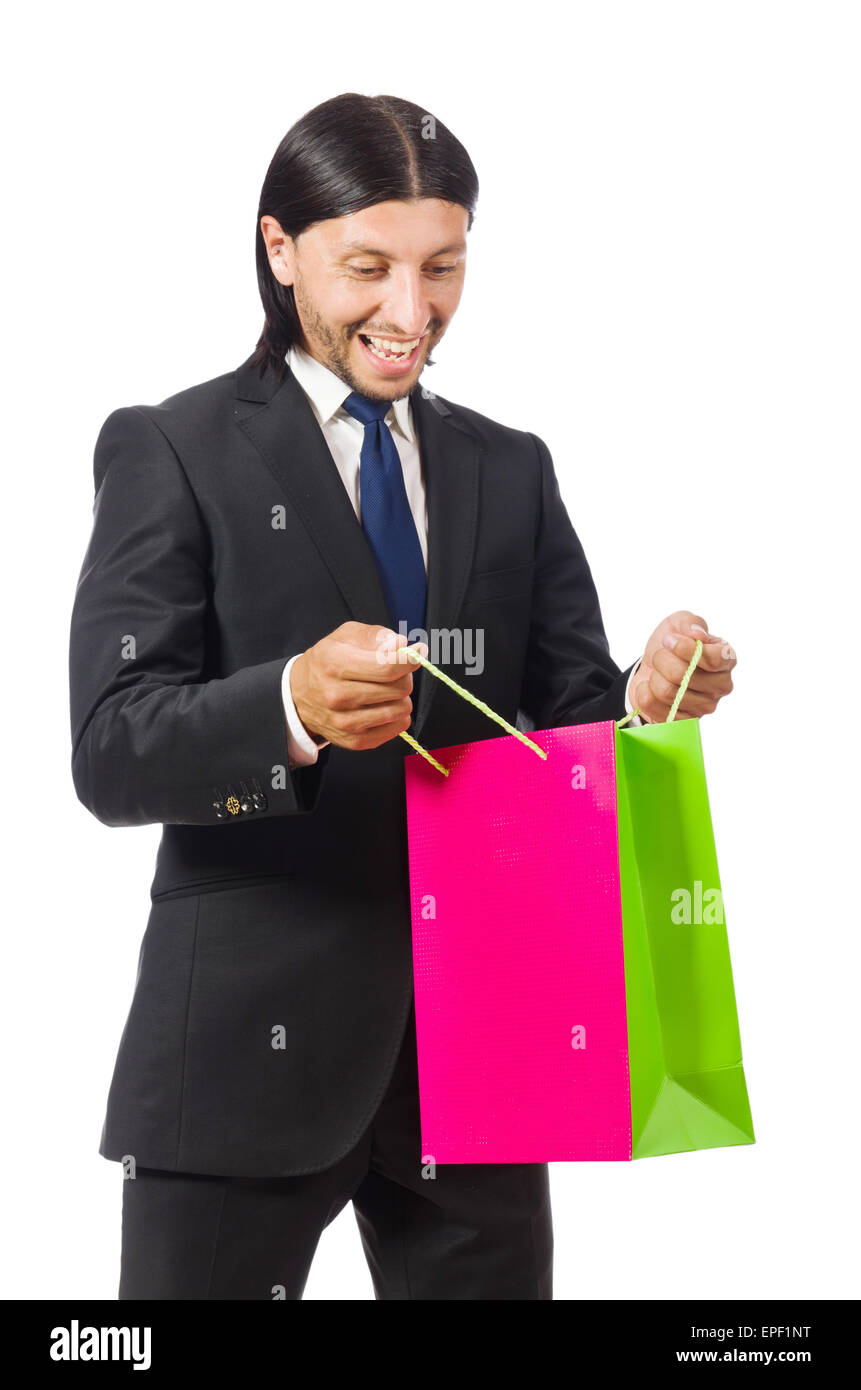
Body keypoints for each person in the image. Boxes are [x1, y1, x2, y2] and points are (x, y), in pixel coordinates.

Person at [68, 92, 736, 1301]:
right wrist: (288, 708)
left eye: (444, 267)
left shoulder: (509, 466)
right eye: (368, 267)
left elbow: (562, 733)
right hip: (242, 1056)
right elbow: (113, 751)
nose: (410, 313)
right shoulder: (172, 449)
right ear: (280, 251)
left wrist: (644, 712)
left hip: (483, 1057)